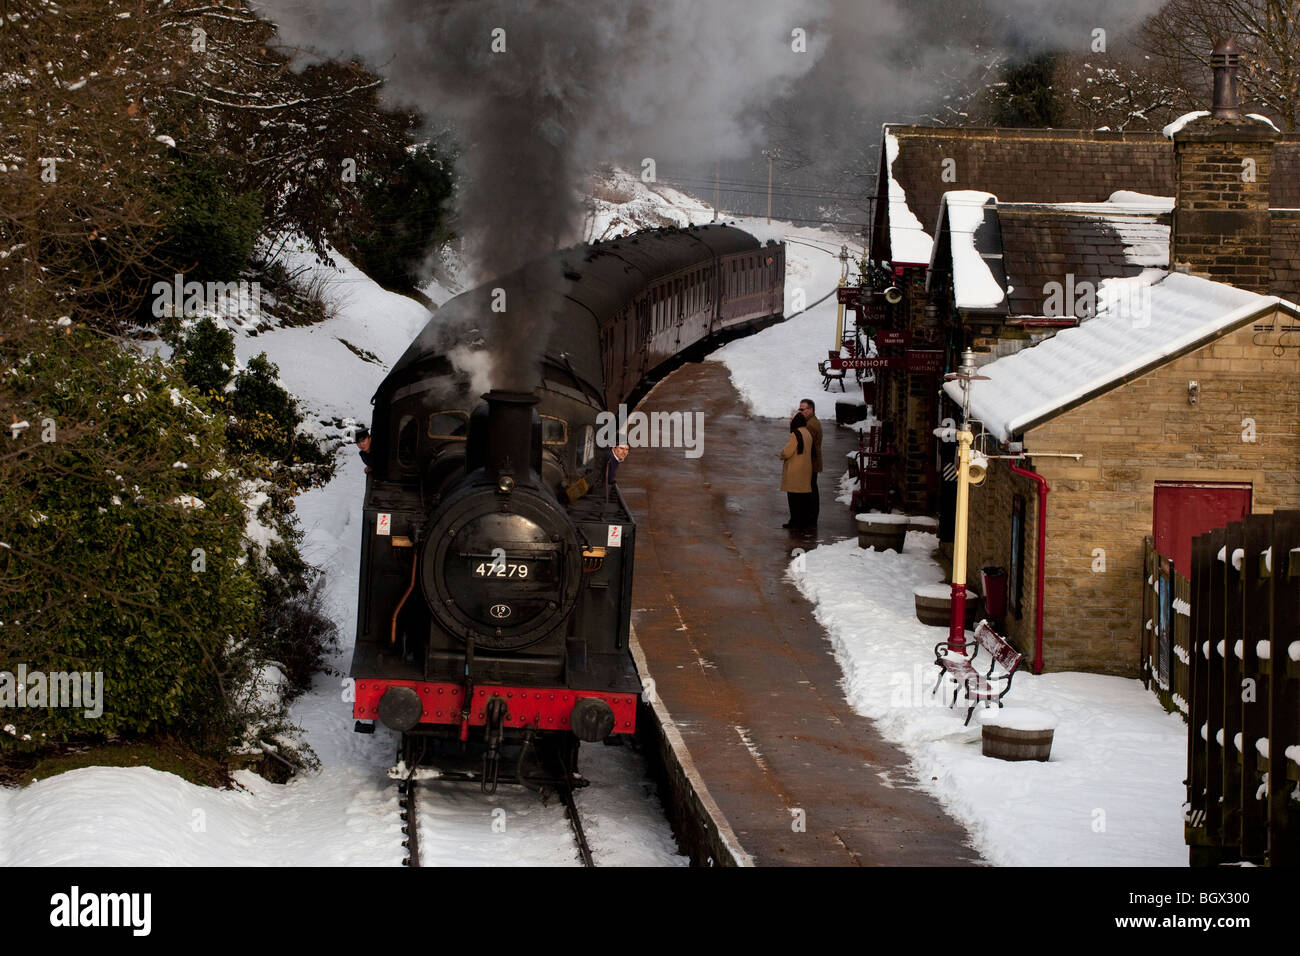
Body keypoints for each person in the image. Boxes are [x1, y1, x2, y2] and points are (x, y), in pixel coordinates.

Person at [779, 412, 815, 529]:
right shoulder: (807, 432)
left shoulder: (796, 434)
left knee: (793, 497)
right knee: (803, 498)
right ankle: (803, 521)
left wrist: (782, 454)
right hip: (806, 468)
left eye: (792, 419)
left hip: (795, 469)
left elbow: (787, 451)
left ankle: (794, 522)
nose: (790, 421)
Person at [798, 398, 823, 526]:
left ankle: (811, 518)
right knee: (811, 487)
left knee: (811, 488)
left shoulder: (811, 425)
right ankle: (810, 516)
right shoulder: (810, 422)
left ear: (810, 410)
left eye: (803, 409)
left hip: (811, 462)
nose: (800, 411)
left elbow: (807, 443)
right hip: (812, 461)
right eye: (800, 409)